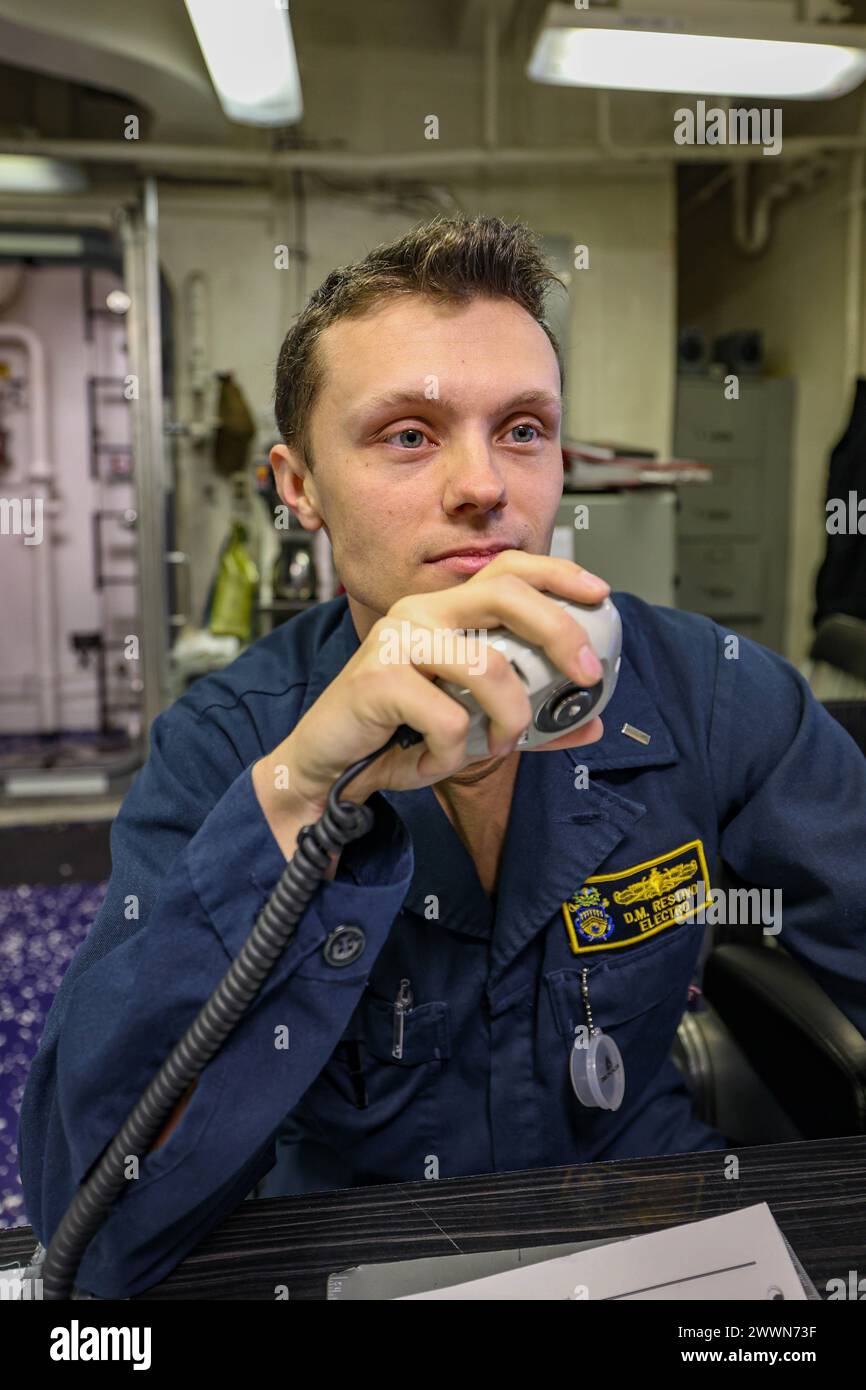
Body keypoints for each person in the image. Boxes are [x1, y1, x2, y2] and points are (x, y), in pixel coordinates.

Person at [18, 215, 866, 1299]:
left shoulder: (706, 687)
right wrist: (297, 797)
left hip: (649, 1219)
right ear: (299, 485)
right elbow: (86, 1211)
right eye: (408, 435)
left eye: (520, 428)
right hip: (351, 1237)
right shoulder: (232, 742)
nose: (482, 485)